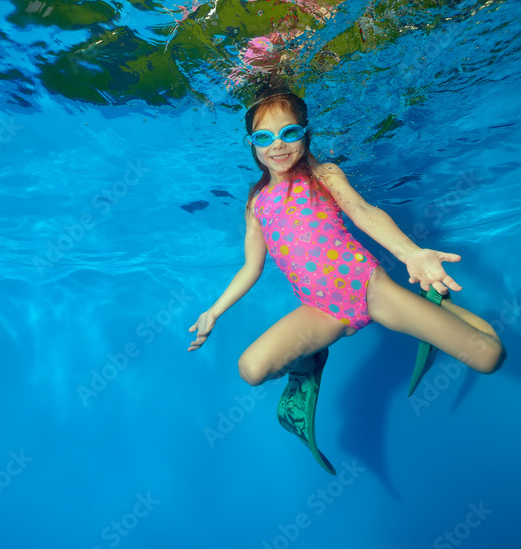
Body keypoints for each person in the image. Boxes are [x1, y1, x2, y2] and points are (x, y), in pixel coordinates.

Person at [187, 87, 505, 474]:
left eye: (289, 133)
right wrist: (214, 311)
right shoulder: (257, 204)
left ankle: (439, 307)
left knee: (490, 357)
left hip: (371, 291)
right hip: (322, 312)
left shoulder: (324, 175)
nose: (277, 146)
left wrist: (411, 254)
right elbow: (251, 267)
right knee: (252, 369)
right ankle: (308, 361)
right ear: (251, 144)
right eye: (264, 137)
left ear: (306, 133)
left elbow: (364, 213)